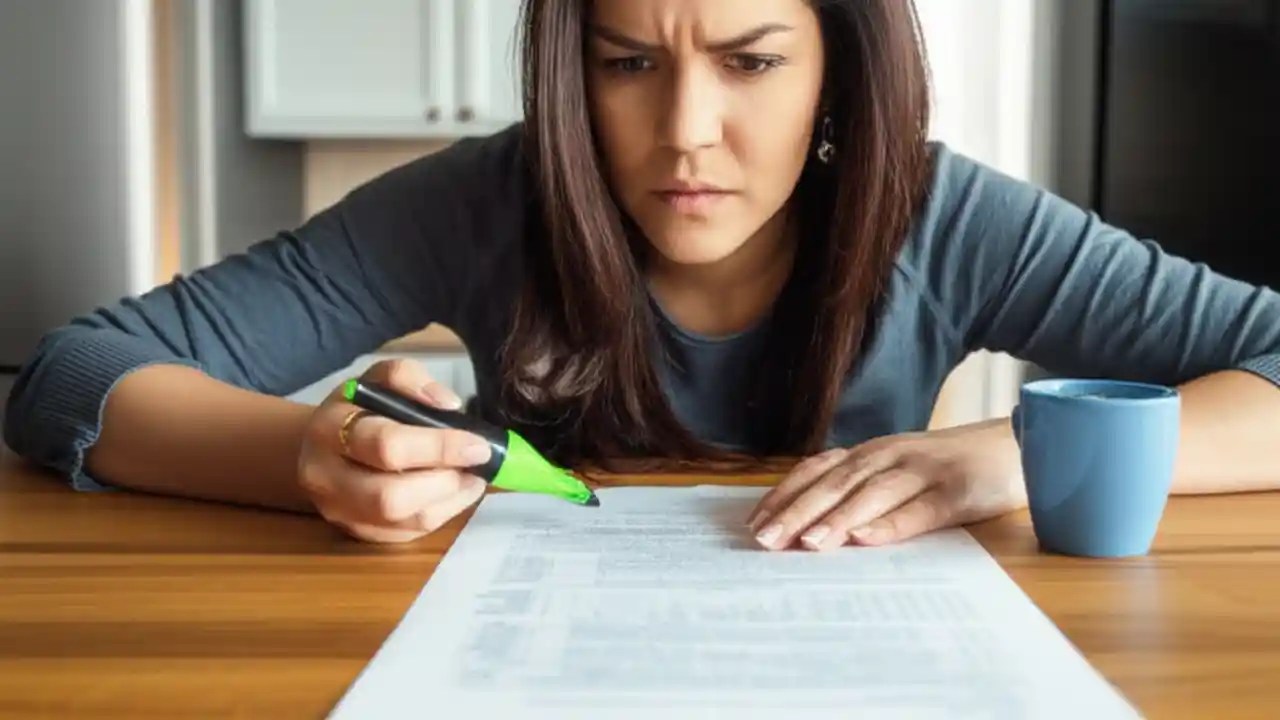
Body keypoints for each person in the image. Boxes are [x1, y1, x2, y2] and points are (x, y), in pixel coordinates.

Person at [6, 0, 1280, 550]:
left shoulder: (944, 216)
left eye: (751, 62)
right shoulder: (479, 200)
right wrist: (304, 457)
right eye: (625, 63)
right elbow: (72, 375)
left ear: (837, 69)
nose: (682, 133)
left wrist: (1013, 457)